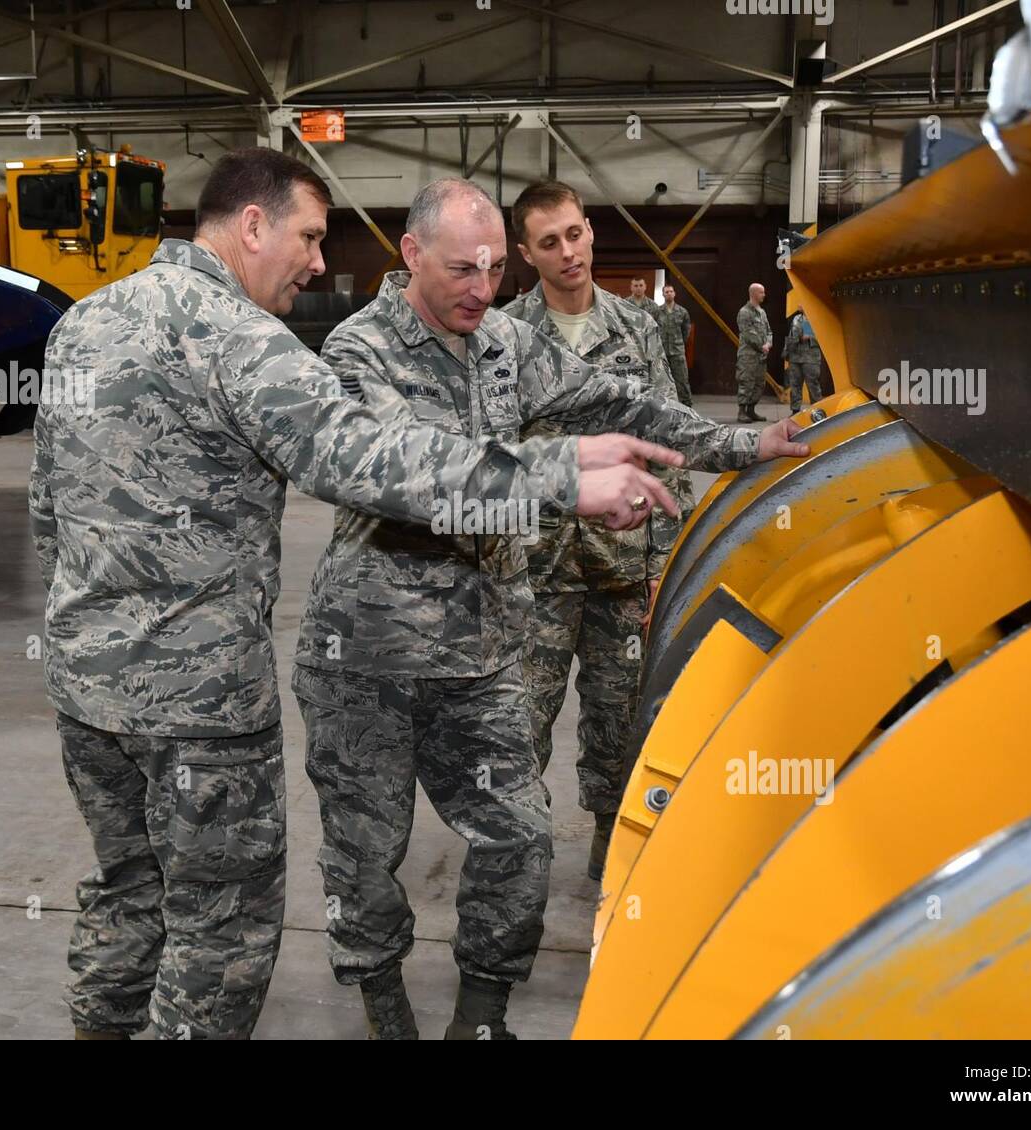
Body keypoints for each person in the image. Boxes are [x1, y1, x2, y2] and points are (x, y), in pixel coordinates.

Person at [30, 148, 677, 1042]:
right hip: (202, 702)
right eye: (306, 236)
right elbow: (373, 462)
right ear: (250, 225)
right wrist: (561, 471)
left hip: (85, 689)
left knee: (127, 891)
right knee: (219, 934)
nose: (317, 261)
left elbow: (48, 509)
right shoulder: (243, 339)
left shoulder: (82, 323)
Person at [290, 177, 809, 1040]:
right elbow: (407, 475)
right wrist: (566, 479)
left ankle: (483, 1014)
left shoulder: (502, 344)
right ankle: (384, 1002)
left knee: (521, 838)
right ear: (412, 256)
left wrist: (741, 445)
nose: (481, 288)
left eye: (494, 268)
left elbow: (623, 403)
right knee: (365, 853)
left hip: (485, 653)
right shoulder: (358, 351)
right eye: (462, 268)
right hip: (369, 660)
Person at [503, 179, 693, 881]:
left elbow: (671, 440)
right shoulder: (507, 336)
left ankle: (611, 854)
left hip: (622, 574)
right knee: (519, 727)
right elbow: (489, 460)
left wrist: (664, 570)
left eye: (575, 234)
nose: (567, 252)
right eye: (548, 242)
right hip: (538, 575)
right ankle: (517, 858)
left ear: (590, 231)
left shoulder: (639, 327)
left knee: (619, 727)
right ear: (526, 252)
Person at [736, 281, 773, 422]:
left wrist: (769, 343)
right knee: (746, 383)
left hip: (761, 356)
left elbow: (769, 330)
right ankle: (741, 412)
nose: (764, 295)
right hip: (748, 356)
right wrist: (761, 346)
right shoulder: (744, 312)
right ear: (753, 294)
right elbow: (747, 333)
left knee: (759, 384)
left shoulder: (762, 312)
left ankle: (751, 410)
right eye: (761, 292)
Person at [657, 284, 693, 407]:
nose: (669, 294)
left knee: (682, 380)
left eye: (671, 291)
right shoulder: (657, 311)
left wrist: (679, 342)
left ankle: (687, 405)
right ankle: (666, 406)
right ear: (663, 294)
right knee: (662, 380)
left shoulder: (682, 312)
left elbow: (686, 331)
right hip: (662, 352)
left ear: (674, 293)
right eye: (666, 292)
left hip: (677, 351)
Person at [782, 306, 824, 413]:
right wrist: (786, 351)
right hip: (795, 357)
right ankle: (795, 411)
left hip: (810, 358)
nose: (798, 305)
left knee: (813, 386)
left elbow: (824, 337)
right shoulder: (797, 319)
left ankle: (817, 412)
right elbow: (791, 335)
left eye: (801, 302)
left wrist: (809, 337)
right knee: (795, 385)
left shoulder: (816, 317)